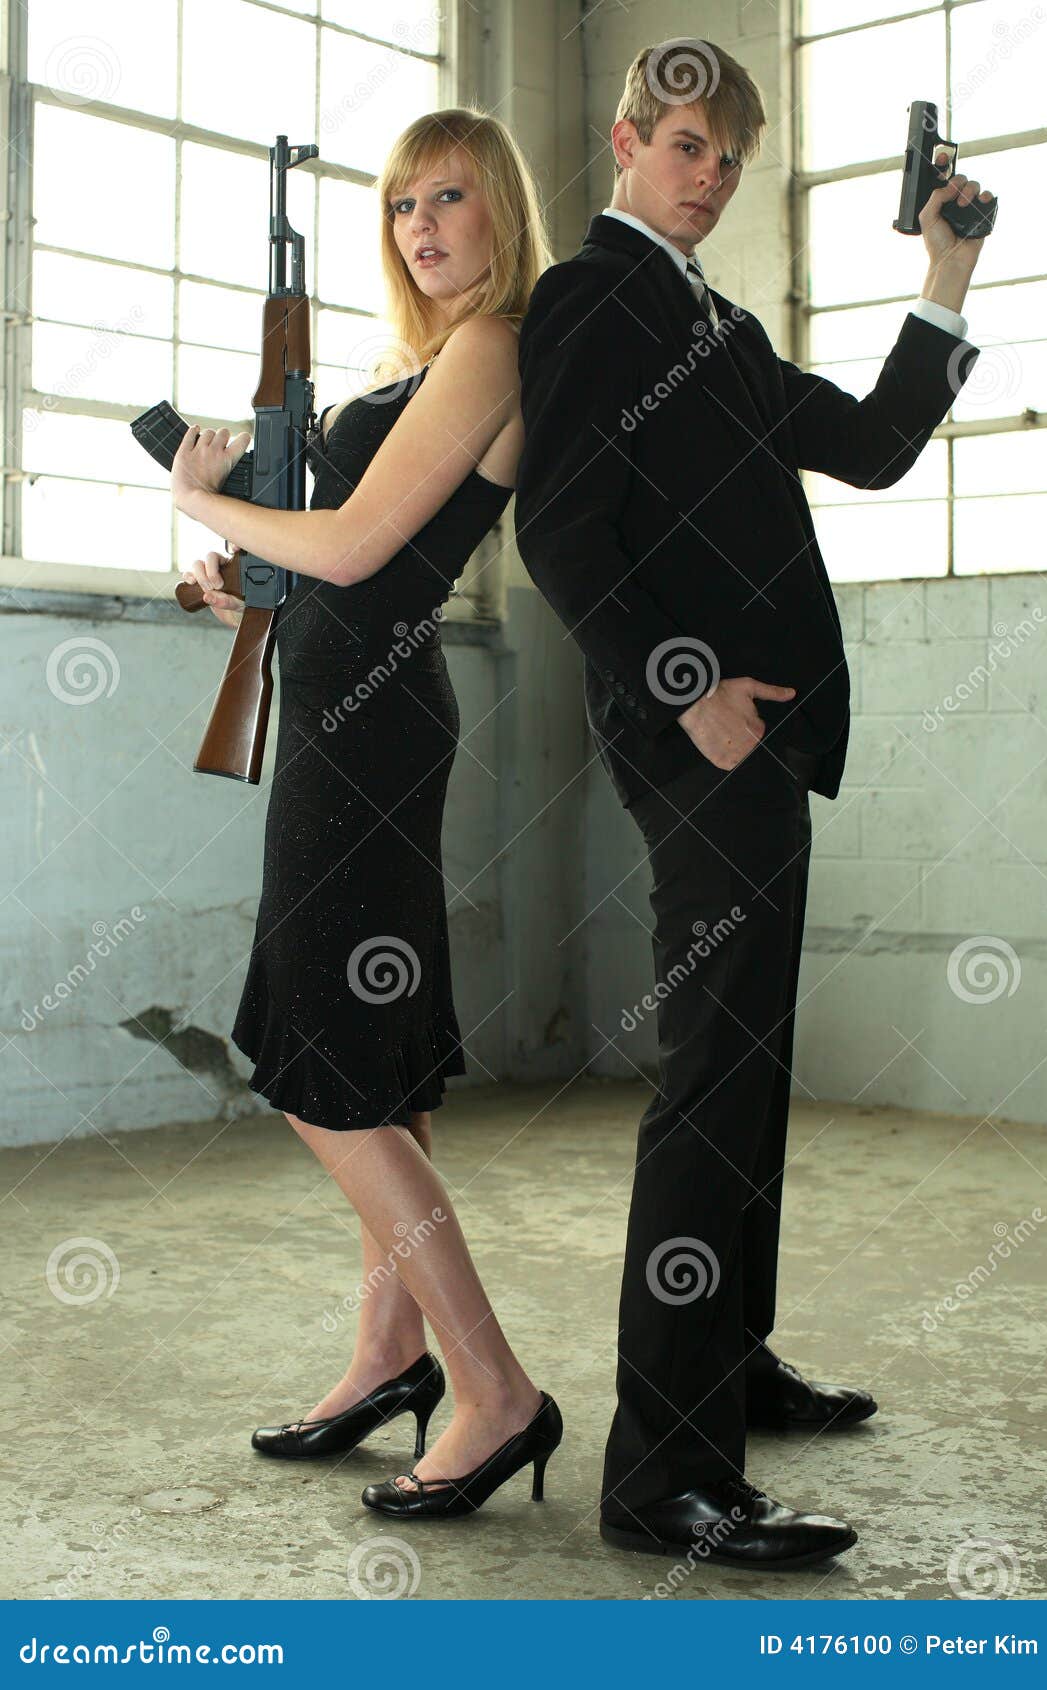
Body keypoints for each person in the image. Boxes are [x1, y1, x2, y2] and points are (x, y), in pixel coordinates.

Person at [514, 38, 992, 1568]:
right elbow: (560, 530)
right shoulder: (597, 300)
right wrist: (682, 684)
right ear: (626, 140)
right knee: (709, 1088)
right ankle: (665, 1476)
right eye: (687, 146)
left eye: (730, 156)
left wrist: (946, 272)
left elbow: (863, 446)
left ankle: (729, 1360)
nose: (710, 175)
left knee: (749, 1075)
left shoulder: (709, 322)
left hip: (765, 745)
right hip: (702, 744)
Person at [173, 108, 562, 1520]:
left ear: (497, 208)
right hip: (348, 715)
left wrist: (196, 494)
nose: (422, 225)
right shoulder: (423, 360)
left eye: (449, 197)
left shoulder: (492, 348)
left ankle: (495, 1387)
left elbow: (352, 544)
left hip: (372, 737)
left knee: (319, 1070)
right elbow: (329, 566)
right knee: (375, 1071)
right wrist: (238, 581)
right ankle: (387, 1357)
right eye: (402, 204)